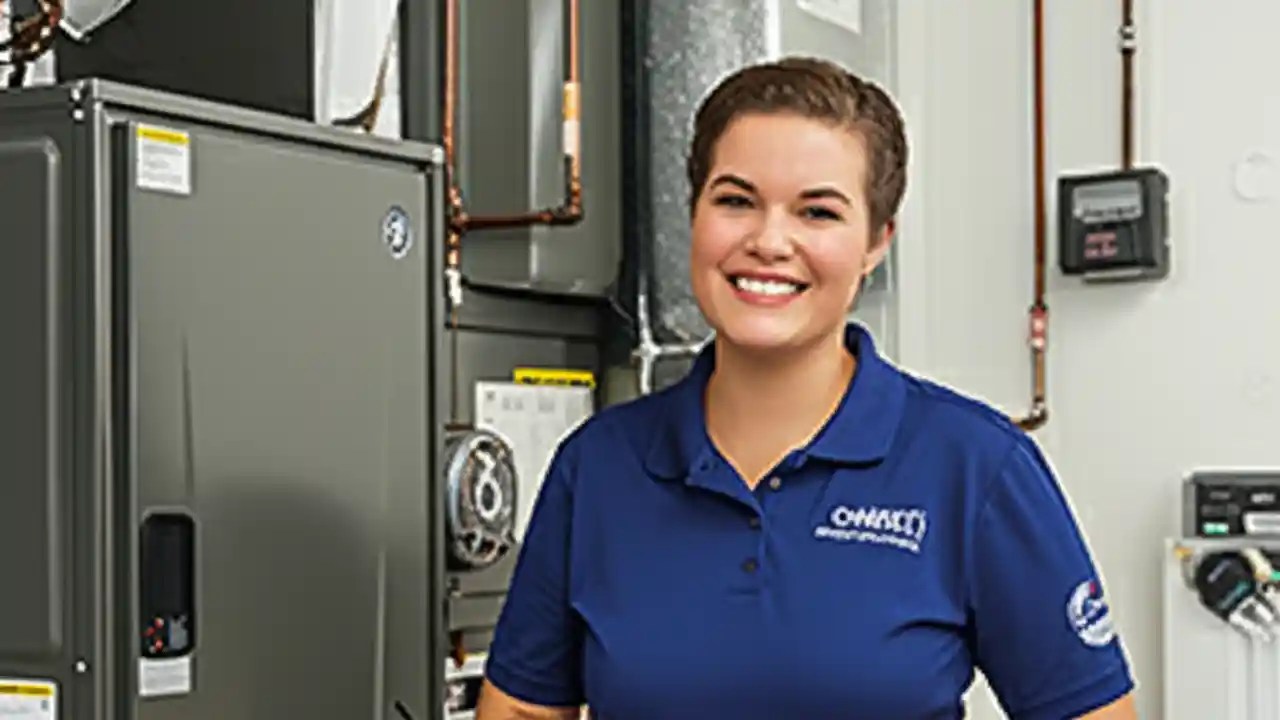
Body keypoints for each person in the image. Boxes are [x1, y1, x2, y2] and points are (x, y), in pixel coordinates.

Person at [475, 56, 1138, 719]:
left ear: (877, 241)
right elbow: (523, 710)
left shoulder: (974, 466)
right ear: (695, 215)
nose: (769, 241)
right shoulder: (598, 465)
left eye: (817, 212)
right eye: (735, 201)